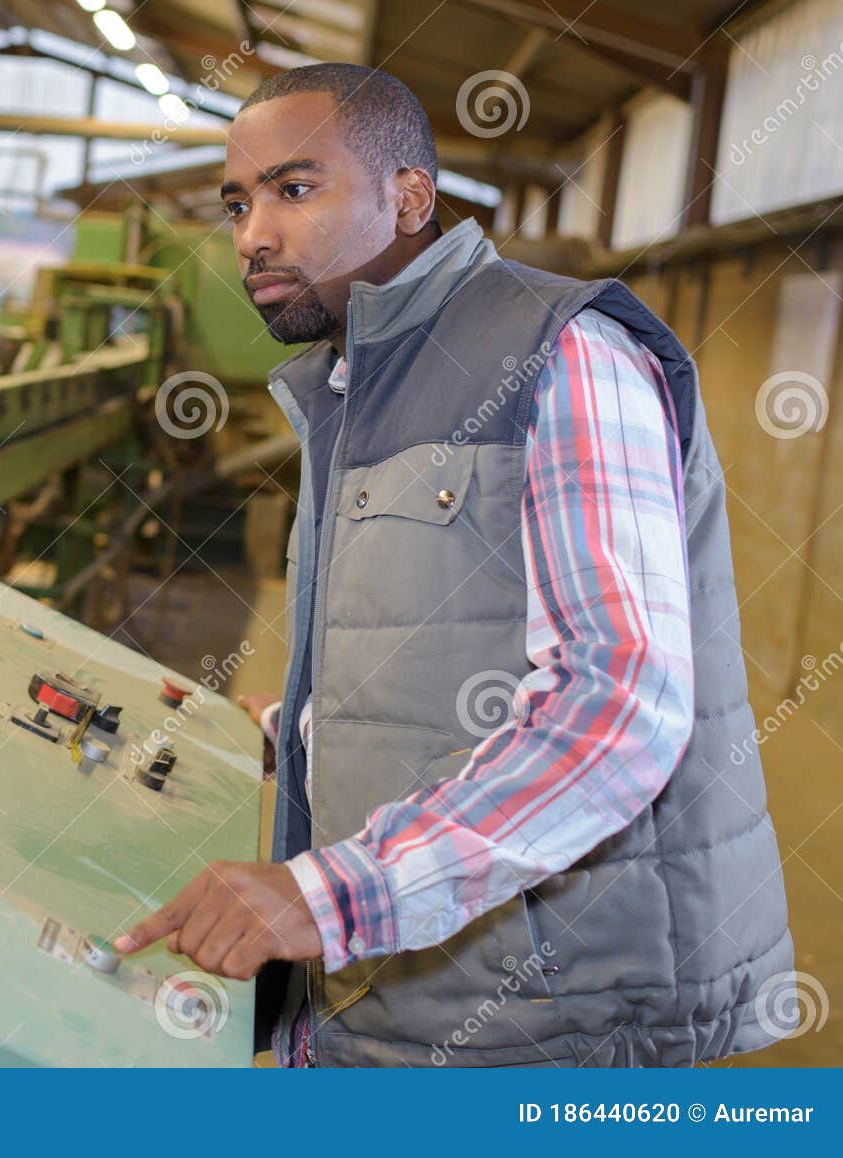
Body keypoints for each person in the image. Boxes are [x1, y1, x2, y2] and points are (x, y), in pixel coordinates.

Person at [114, 63, 793, 1068]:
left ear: (408, 198)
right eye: (237, 203)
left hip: (550, 1019)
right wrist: (306, 725)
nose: (253, 234)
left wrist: (330, 897)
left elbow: (617, 703)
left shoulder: (562, 351)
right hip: (391, 999)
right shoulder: (351, 385)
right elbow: (439, 630)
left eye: (294, 189)